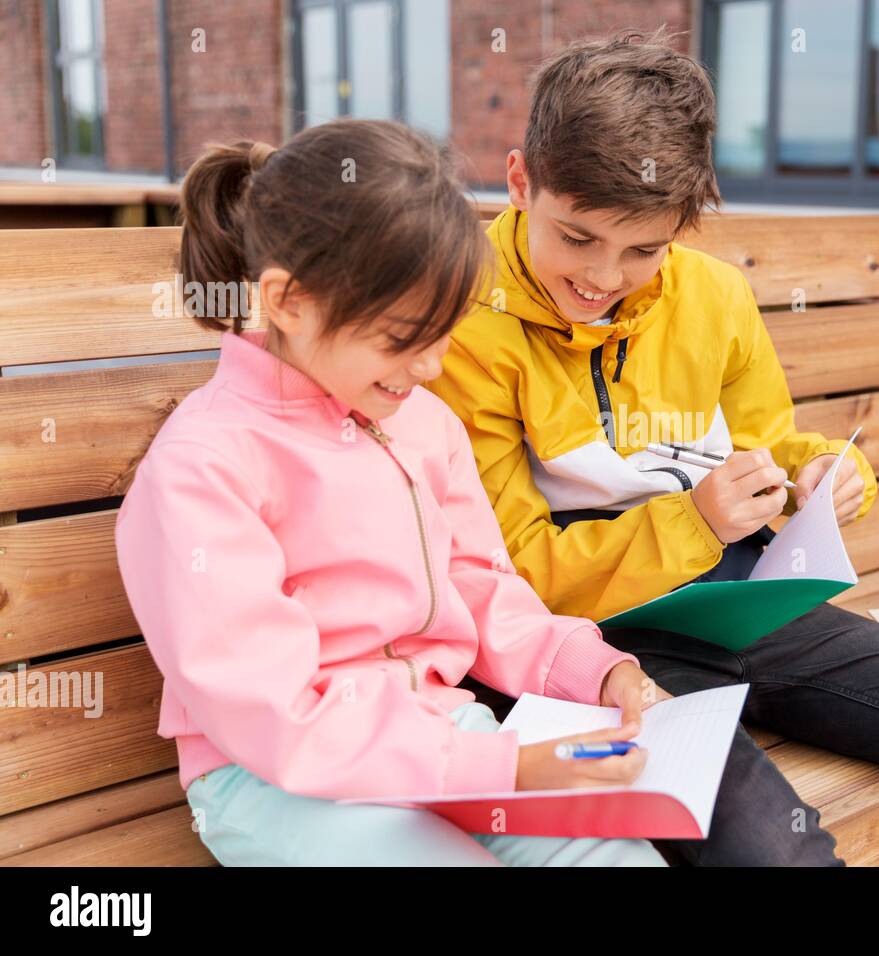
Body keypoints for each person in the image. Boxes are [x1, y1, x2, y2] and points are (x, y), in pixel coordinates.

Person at [429, 30, 879, 866]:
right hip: (577, 647)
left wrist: (826, 476)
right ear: (520, 181)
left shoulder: (712, 296)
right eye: (576, 238)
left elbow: (771, 446)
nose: (603, 277)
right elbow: (508, 569)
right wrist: (694, 522)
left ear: (686, 223)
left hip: (735, 604)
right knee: (778, 856)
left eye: (644, 249)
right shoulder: (457, 324)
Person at [114, 118, 668, 866]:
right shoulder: (203, 465)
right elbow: (273, 714)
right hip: (273, 783)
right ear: (287, 302)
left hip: (446, 737)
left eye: (445, 332)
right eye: (405, 336)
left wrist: (596, 670)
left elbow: (480, 584)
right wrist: (502, 769)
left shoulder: (423, 423)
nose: (435, 366)